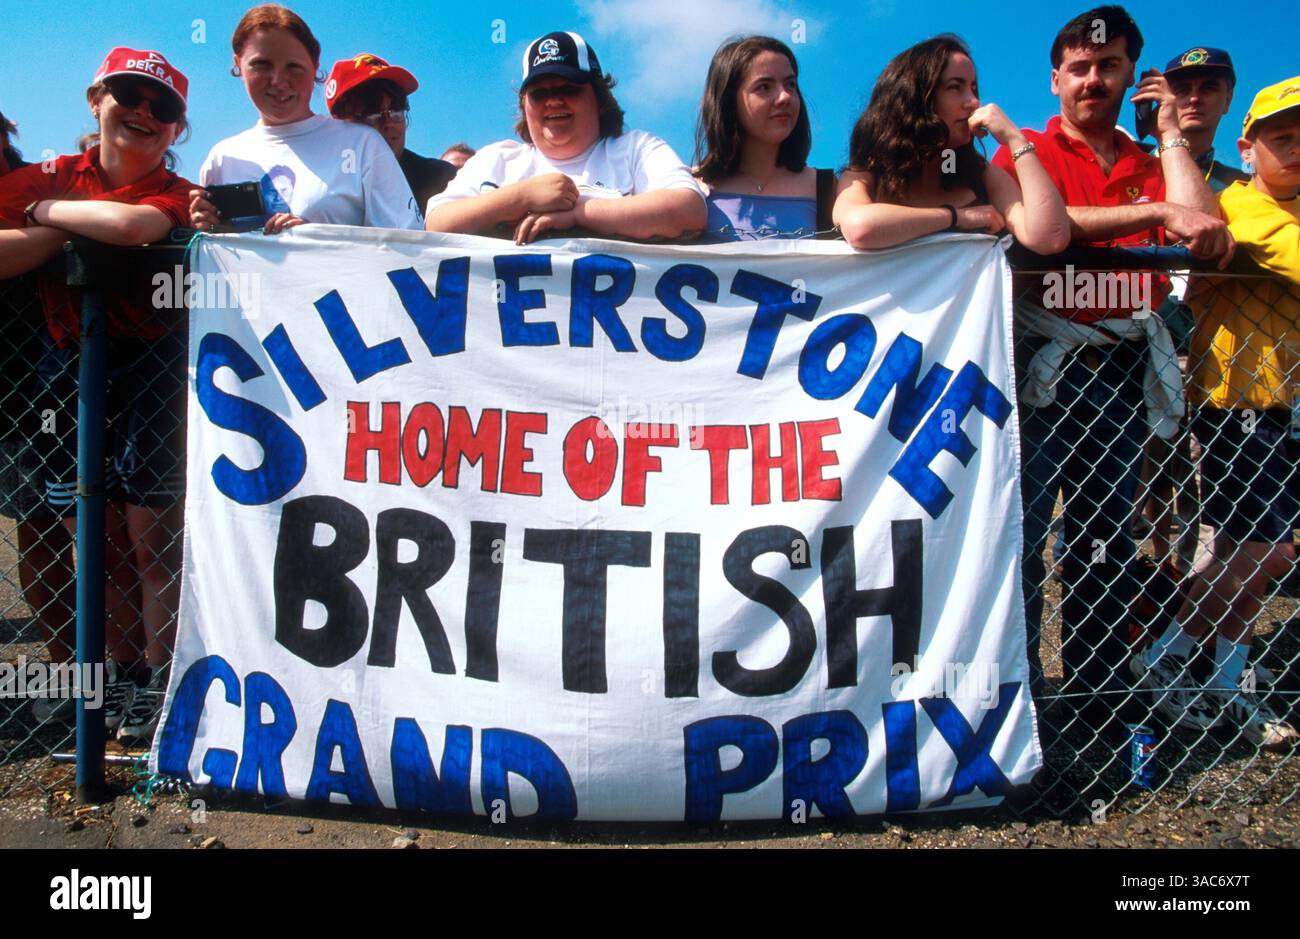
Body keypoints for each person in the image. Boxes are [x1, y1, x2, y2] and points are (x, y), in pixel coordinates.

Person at [989, 5, 1232, 719]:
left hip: (1125, 367)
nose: (1095, 79)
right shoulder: (1026, 152)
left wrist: (1168, 135)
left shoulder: (1149, 161)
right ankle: (1024, 691)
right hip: (1044, 365)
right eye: (1081, 68)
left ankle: (1096, 687)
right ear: (1056, 78)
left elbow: (1206, 230)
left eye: (1111, 66)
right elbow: (1048, 228)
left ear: (1133, 75)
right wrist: (1153, 216)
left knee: (1103, 536)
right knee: (1027, 532)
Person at [0, 47, 196, 740]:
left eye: (162, 106)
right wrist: (61, 227)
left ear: (177, 126)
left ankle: (154, 674)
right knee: (94, 539)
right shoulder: (52, 171)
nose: (142, 113)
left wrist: (46, 216)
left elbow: (136, 228)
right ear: (95, 100)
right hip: (68, 374)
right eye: (128, 96)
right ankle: (111, 673)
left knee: (152, 541)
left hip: (153, 373)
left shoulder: (172, 189)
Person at [1130, 76, 1300, 750]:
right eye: (1282, 138)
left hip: (1281, 401)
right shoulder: (1246, 209)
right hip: (1240, 402)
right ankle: (1167, 656)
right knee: (1267, 550)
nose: (1295, 151)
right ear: (1248, 147)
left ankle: (1226, 679)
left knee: (1241, 552)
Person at [1133, 48, 1248, 575]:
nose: (1194, 98)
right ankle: (1161, 578)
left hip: (1216, 350)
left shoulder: (1245, 183)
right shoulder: (1134, 168)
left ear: (1228, 99)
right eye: (1183, 88)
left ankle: (1202, 593)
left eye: (1209, 87)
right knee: (1144, 476)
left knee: (1209, 483)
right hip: (1142, 346)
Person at [425, 31, 706, 244]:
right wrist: (520, 197)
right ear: (524, 105)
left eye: (568, 89)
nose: (553, 101)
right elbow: (436, 222)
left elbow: (689, 210)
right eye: (539, 93)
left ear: (599, 98)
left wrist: (579, 212)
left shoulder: (637, 149)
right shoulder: (496, 158)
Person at [189, 4, 420, 233]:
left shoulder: (363, 144)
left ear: (315, 67)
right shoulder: (221, 159)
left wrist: (315, 240)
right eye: (262, 64)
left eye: (293, 67)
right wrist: (212, 230)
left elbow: (405, 242)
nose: (278, 81)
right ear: (239, 64)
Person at [832, 35, 1070, 254]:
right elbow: (859, 227)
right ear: (917, 97)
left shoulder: (981, 174)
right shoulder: (866, 173)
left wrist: (1016, 140)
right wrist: (957, 217)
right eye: (955, 87)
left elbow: (1050, 238)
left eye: (974, 88)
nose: (973, 101)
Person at [0, 112, 78, 725]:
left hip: (50, 385)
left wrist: (46, 215)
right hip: (19, 391)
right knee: (39, 531)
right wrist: (63, 226)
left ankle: (85, 676)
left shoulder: (32, 182)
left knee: (66, 532)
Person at [693, 35, 838, 241]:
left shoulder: (829, 190)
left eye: (790, 85)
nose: (785, 97)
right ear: (729, 101)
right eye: (764, 87)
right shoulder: (691, 188)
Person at [324, 53, 456, 218]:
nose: (388, 123)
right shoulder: (314, 185)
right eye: (371, 112)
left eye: (396, 109)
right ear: (338, 123)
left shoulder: (440, 179)